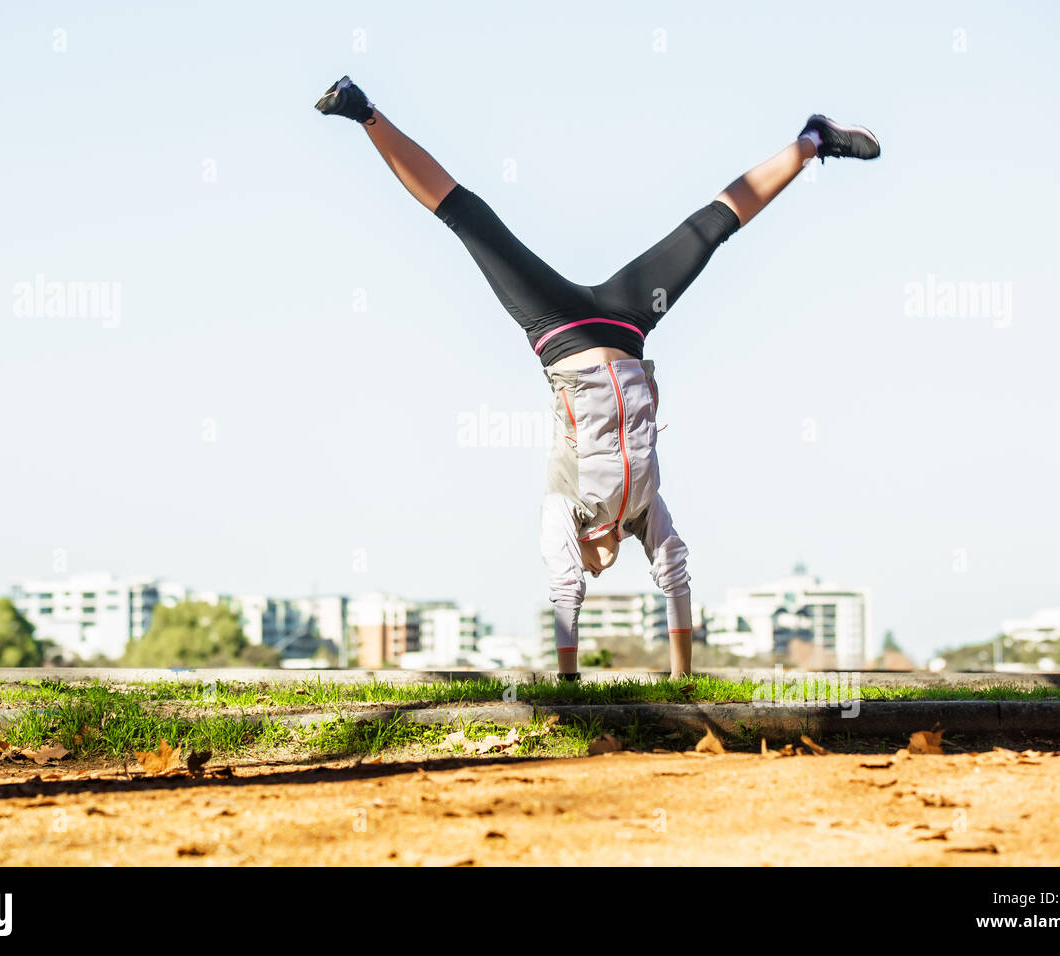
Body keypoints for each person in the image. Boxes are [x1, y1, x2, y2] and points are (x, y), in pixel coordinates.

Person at [315, 75, 880, 680]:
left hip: (554, 326)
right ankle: (814, 140)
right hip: (628, 322)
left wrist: (567, 679)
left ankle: (363, 111)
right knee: (710, 228)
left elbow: (563, 587)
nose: (593, 569)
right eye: (595, 570)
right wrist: (682, 677)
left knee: (469, 219)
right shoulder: (643, 510)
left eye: (588, 569)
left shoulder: (563, 510)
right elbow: (676, 571)